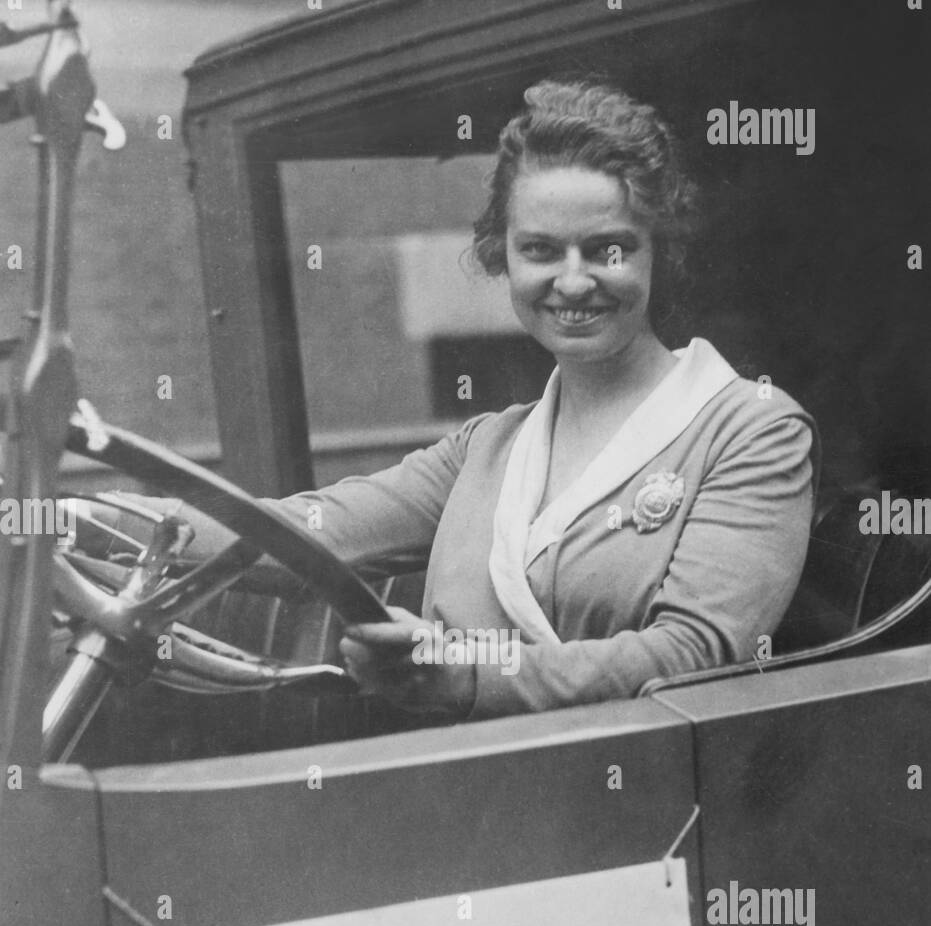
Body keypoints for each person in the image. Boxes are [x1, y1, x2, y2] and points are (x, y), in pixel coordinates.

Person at [84, 80, 819, 722]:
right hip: (474, 802)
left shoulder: (749, 428)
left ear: (659, 250)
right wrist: (81, 518)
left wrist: (465, 672)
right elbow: (297, 535)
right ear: (504, 256)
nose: (570, 281)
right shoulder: (487, 447)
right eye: (539, 251)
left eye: (606, 249)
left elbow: (695, 656)